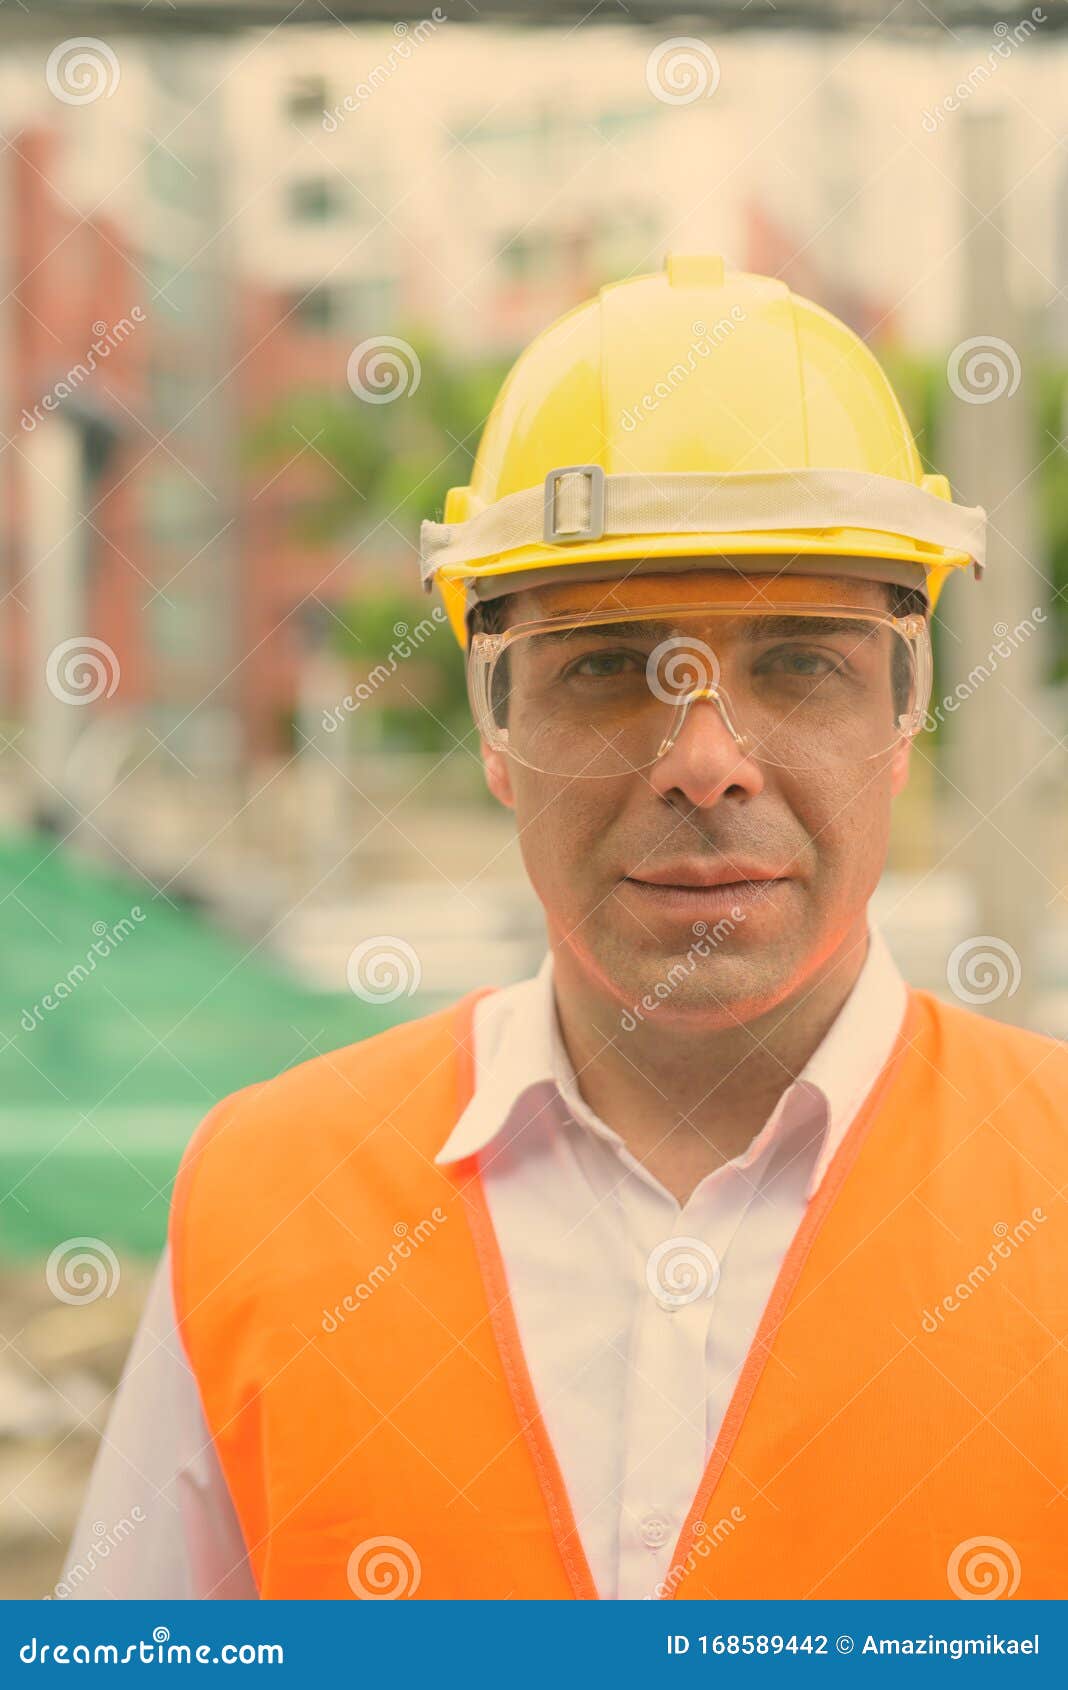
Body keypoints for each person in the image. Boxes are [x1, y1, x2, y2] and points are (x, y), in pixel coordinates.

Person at [64, 255, 1068, 1602]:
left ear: (902, 714)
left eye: (798, 662)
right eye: (608, 664)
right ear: (497, 725)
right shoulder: (265, 1198)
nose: (705, 760)